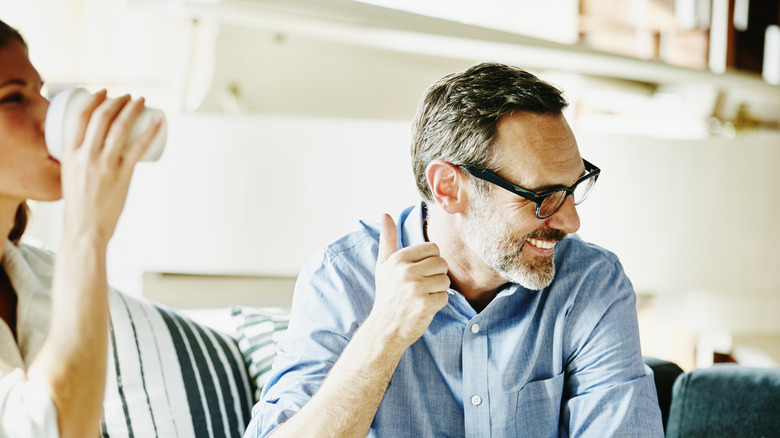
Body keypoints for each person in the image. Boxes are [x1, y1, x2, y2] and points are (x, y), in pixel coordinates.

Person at [245, 62, 664, 437]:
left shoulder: (591, 283)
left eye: (574, 188)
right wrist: (383, 334)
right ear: (449, 187)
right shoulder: (341, 279)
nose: (571, 222)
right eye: (542, 196)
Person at [0, 19, 161, 437]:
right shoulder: (75, 257)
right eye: (14, 98)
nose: (49, 115)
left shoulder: (46, 274)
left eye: (41, 93)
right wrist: (86, 230)